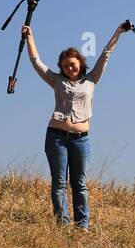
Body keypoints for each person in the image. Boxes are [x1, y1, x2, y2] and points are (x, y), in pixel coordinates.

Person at [21, 22, 127, 231]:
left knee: (80, 184)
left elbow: (106, 54)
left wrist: (119, 32)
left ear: (80, 63)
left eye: (73, 64)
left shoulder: (92, 79)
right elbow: (36, 62)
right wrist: (29, 37)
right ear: (61, 67)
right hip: (56, 137)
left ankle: (82, 227)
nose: (70, 68)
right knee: (59, 182)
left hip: (81, 140)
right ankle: (62, 224)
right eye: (65, 65)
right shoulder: (56, 81)